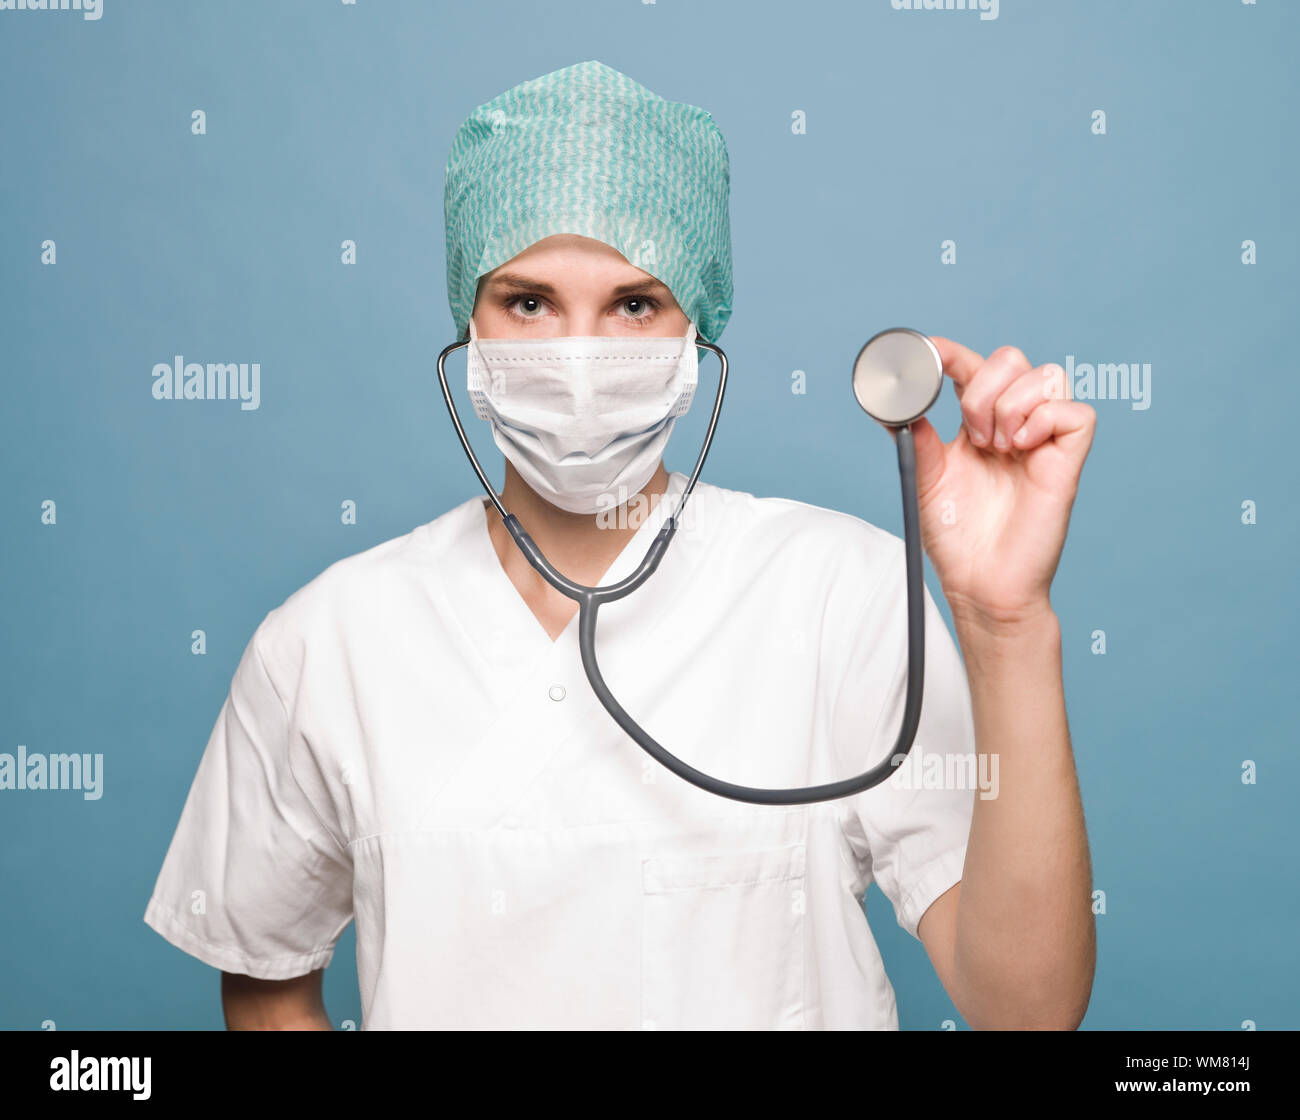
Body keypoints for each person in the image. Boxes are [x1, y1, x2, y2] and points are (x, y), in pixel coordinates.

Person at [144, 59, 1096, 1030]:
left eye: (634, 304)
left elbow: (1027, 1009)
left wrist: (1003, 622)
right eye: (527, 302)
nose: (581, 357)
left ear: (697, 328)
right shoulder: (325, 641)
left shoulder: (839, 596)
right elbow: (263, 983)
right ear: (465, 321)